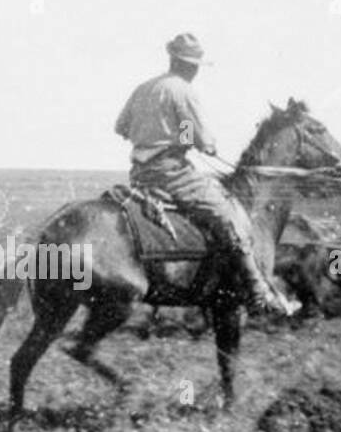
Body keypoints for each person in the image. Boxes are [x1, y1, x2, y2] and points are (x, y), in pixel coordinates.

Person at [114, 33, 299, 316]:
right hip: (172, 173)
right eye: (195, 64)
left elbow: (122, 128)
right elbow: (197, 136)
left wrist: (156, 133)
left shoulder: (143, 88)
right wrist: (201, 143)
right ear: (190, 65)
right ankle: (258, 291)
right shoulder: (183, 91)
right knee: (228, 214)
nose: (196, 69)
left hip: (140, 174)